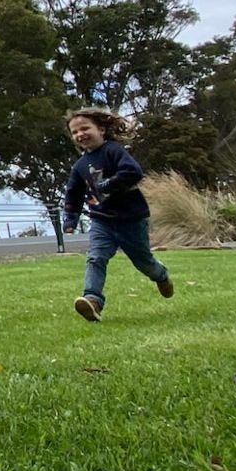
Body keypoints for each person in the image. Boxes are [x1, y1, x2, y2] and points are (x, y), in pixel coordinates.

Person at [61, 107, 173, 322]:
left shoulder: (113, 151)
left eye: (85, 128)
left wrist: (109, 184)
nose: (80, 134)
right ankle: (92, 300)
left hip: (131, 219)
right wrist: (70, 218)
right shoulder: (79, 166)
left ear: (101, 129)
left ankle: (160, 275)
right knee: (95, 258)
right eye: (75, 132)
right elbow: (73, 194)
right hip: (101, 221)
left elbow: (133, 172)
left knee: (143, 262)